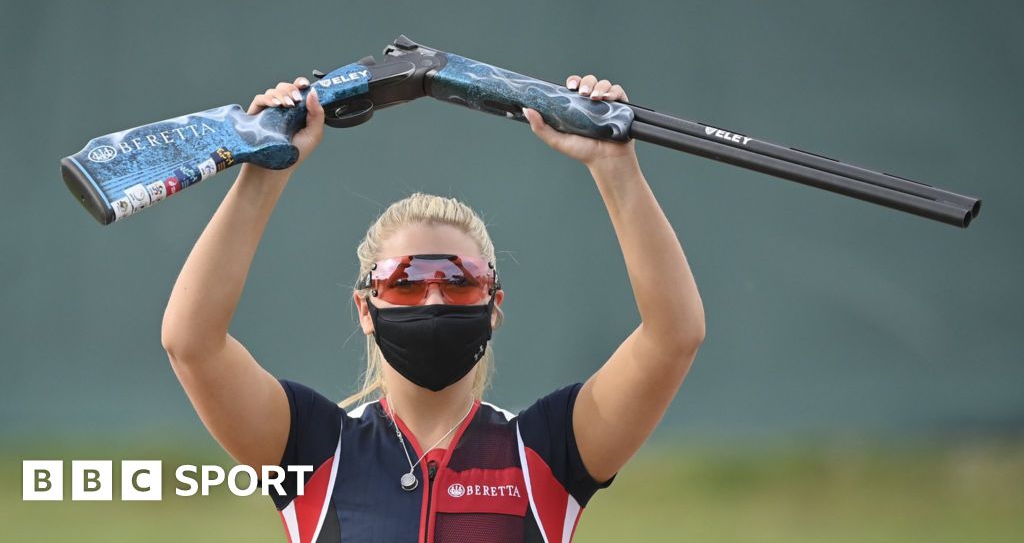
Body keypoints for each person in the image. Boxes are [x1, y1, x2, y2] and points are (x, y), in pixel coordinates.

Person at [161, 72, 705, 542]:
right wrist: (264, 170)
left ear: (494, 306)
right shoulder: (310, 450)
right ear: (365, 308)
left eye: (461, 281)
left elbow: (673, 335)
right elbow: (191, 343)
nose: (435, 298)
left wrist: (615, 166)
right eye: (404, 282)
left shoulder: (549, 449)